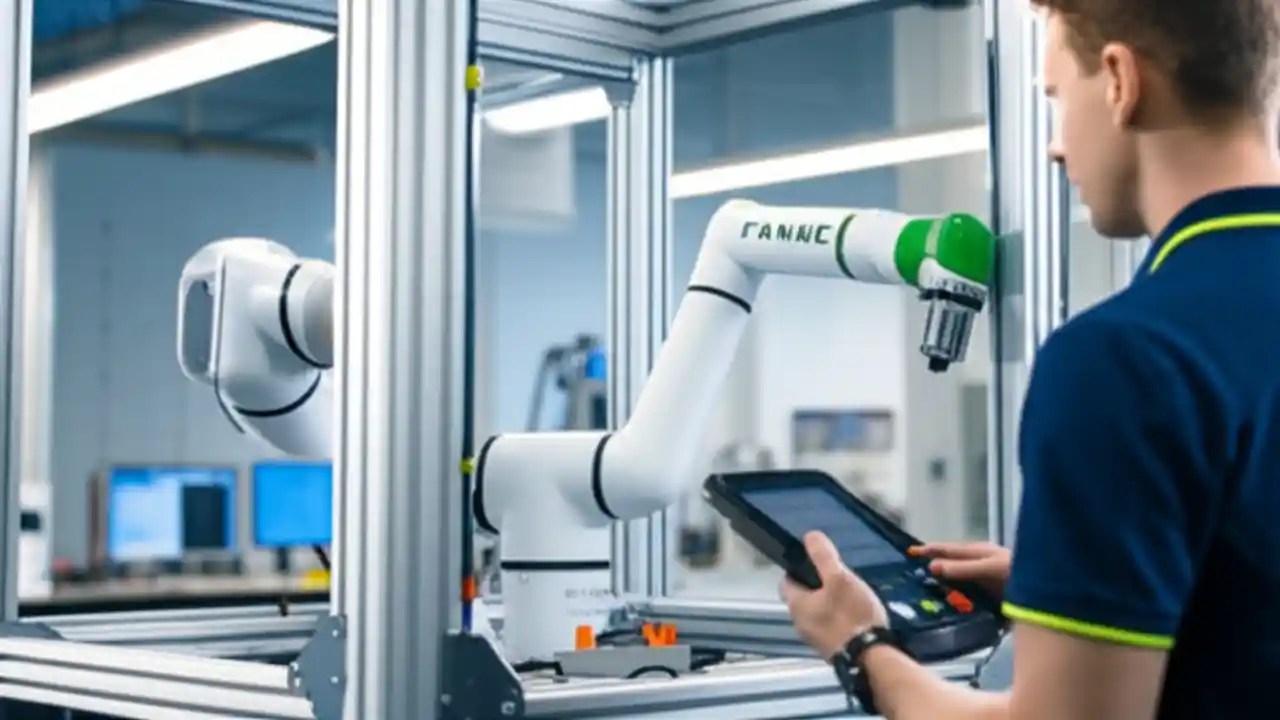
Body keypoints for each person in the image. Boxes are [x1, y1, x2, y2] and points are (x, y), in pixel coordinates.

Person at [783, 1, 1280, 718]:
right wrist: (1070, 584)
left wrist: (861, 648)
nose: (1054, 147)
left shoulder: (1126, 359)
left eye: (1055, 98)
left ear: (1118, 80)